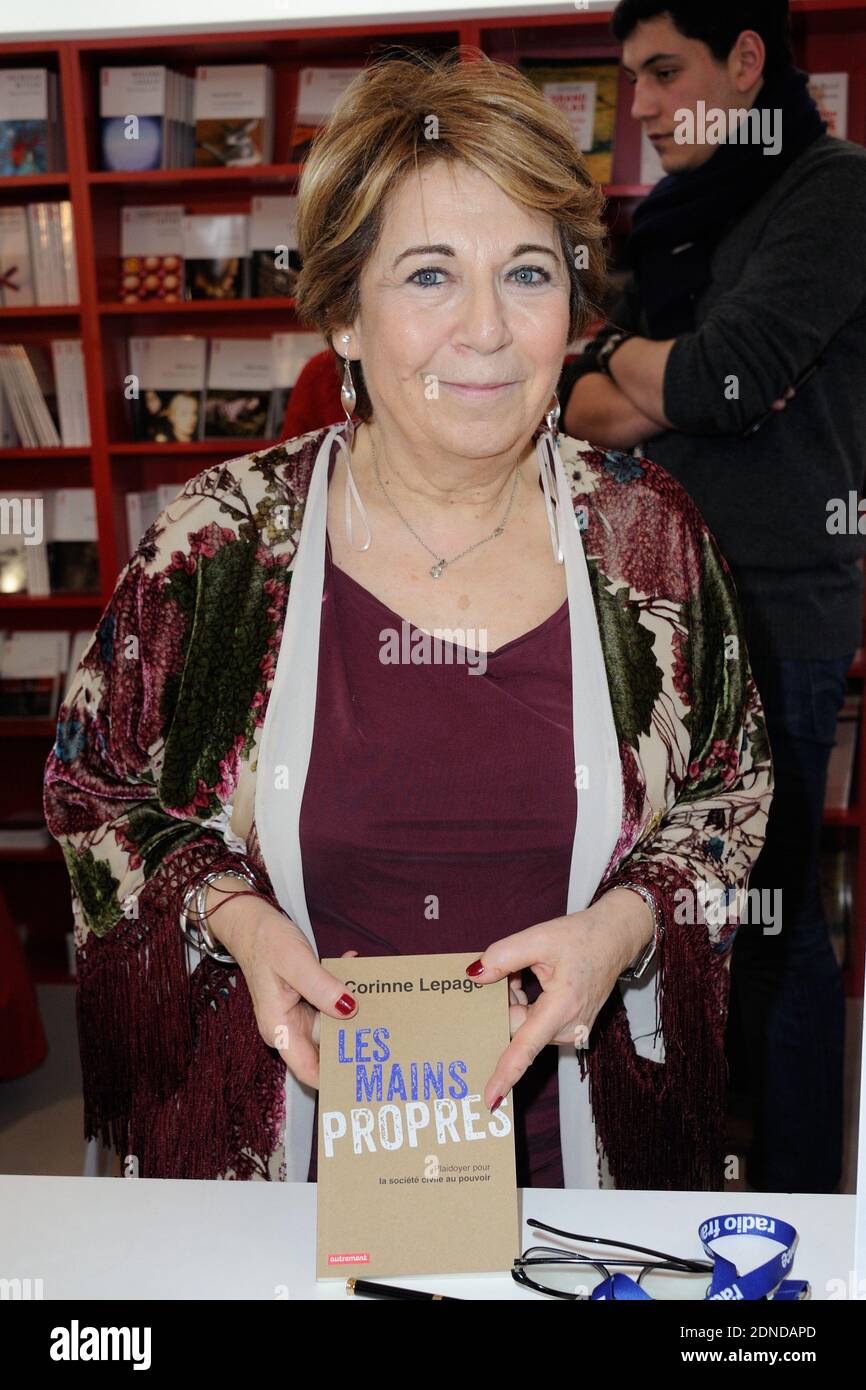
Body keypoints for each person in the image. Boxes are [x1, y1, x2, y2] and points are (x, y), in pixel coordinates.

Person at [44, 49, 771, 1190]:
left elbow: (727, 787)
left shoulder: (648, 536)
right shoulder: (220, 545)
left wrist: (622, 929)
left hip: (577, 1176)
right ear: (340, 312)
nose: (486, 329)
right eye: (429, 274)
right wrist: (231, 916)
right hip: (278, 1159)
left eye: (527, 274)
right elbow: (97, 790)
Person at [557, 0, 866, 1193]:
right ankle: (680, 1181)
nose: (637, 104)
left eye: (663, 70)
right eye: (627, 75)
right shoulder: (676, 220)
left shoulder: (831, 191)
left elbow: (725, 378)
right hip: (642, 606)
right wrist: (652, 375)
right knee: (655, 918)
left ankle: (797, 1212)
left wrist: (662, 373)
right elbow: (581, 402)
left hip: (776, 612)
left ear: (745, 61)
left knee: (771, 933)